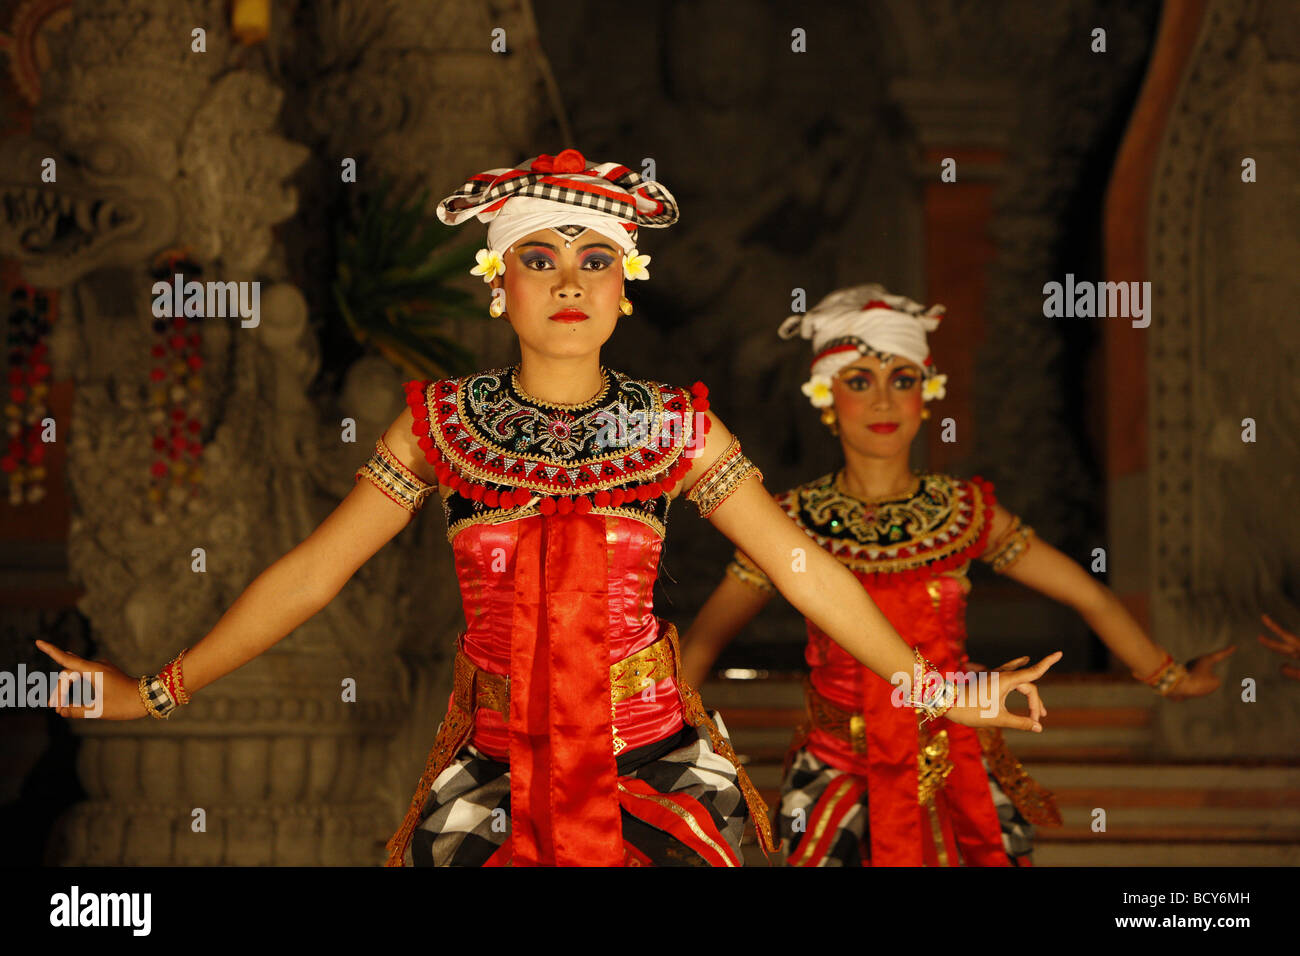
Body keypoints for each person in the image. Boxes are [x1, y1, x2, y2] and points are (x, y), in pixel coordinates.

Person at [36, 152, 1060, 867]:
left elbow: (801, 568)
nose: (568, 280)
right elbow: (315, 572)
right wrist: (158, 690)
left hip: (657, 771)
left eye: (594, 260)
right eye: (539, 257)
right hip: (494, 776)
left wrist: (938, 687)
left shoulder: (676, 429)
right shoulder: (438, 426)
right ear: (499, 286)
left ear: (625, 288)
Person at [679, 284, 1236, 866]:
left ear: (926, 393)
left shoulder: (965, 513)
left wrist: (1172, 678)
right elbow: (705, 641)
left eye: (902, 379)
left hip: (958, 754)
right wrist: (674, 756)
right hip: (839, 767)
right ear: (826, 396)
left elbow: (1088, 594)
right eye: (860, 381)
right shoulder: (790, 521)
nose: (883, 402)